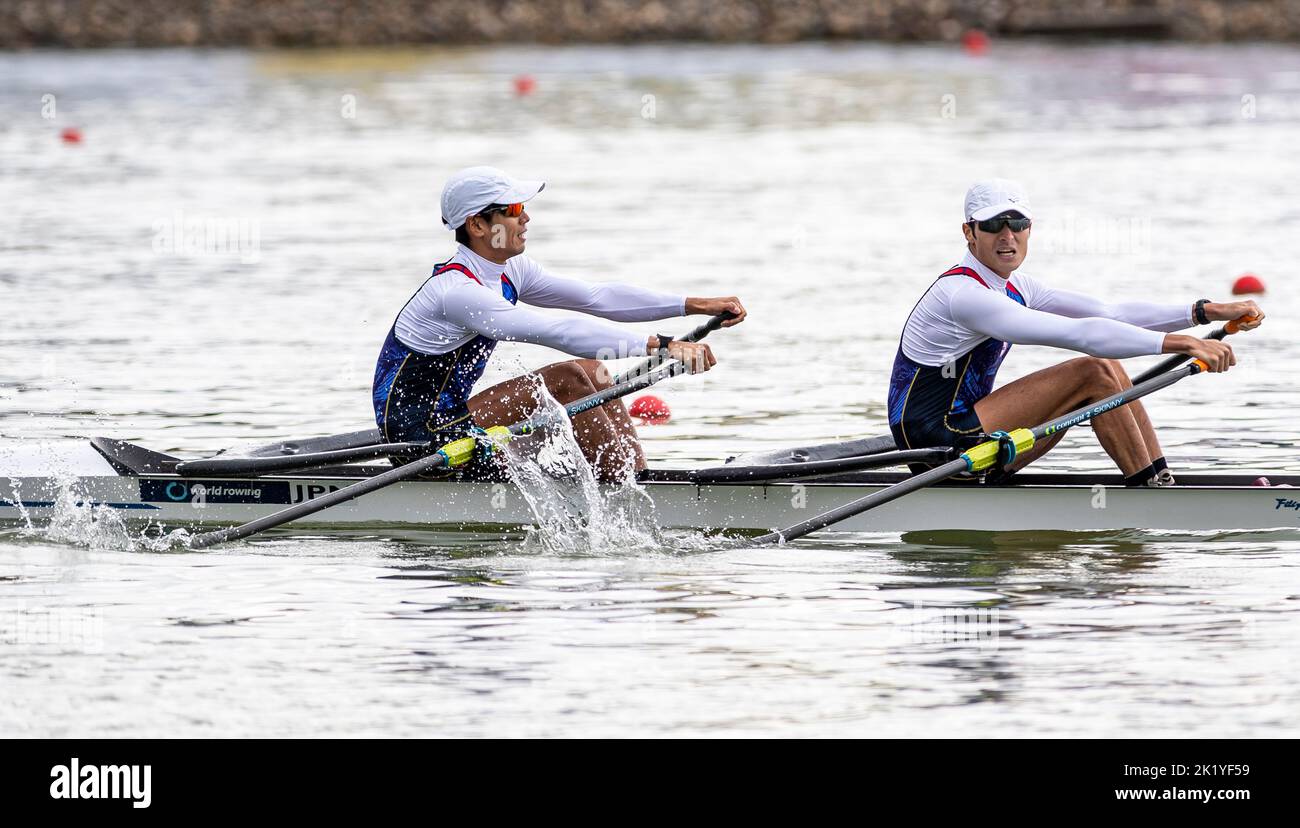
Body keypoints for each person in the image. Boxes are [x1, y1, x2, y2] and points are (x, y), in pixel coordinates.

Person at [373, 166, 745, 480]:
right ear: (478, 225)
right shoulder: (456, 292)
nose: (526, 218)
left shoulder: (508, 271)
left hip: (455, 421)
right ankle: (623, 493)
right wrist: (665, 346)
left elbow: (597, 298)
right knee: (566, 380)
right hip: (423, 441)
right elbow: (556, 332)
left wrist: (694, 305)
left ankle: (634, 478)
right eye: (514, 209)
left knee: (592, 370)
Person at [887, 178, 1263, 485]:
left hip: (972, 435)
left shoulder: (1016, 285)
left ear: (1029, 229)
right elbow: (1080, 335)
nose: (1007, 236)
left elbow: (1110, 312)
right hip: (938, 446)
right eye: (992, 225)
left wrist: (1205, 312)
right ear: (970, 232)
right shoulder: (964, 295)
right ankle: (1148, 492)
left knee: (1108, 367)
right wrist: (1183, 344)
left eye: (1017, 224)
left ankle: (1159, 480)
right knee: (1093, 371)